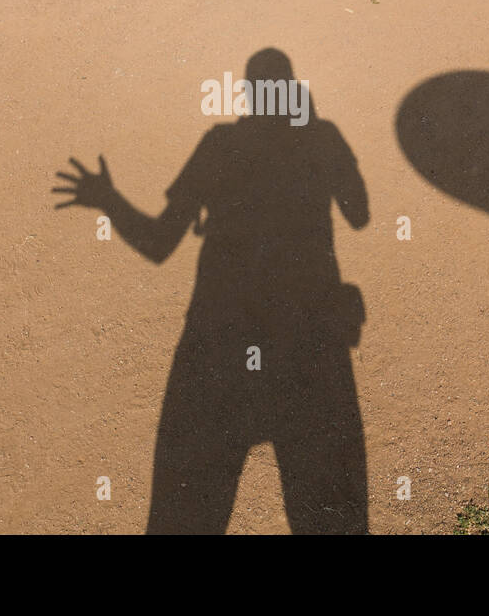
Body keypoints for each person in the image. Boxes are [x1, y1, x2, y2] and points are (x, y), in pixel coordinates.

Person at [54, 48, 370, 533]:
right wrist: (325, 150)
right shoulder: (321, 139)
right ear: (290, 98)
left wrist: (107, 199)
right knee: (327, 518)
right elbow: (359, 213)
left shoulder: (219, 145)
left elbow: (160, 244)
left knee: (184, 519)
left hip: (217, 347)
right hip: (306, 348)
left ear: (245, 96)